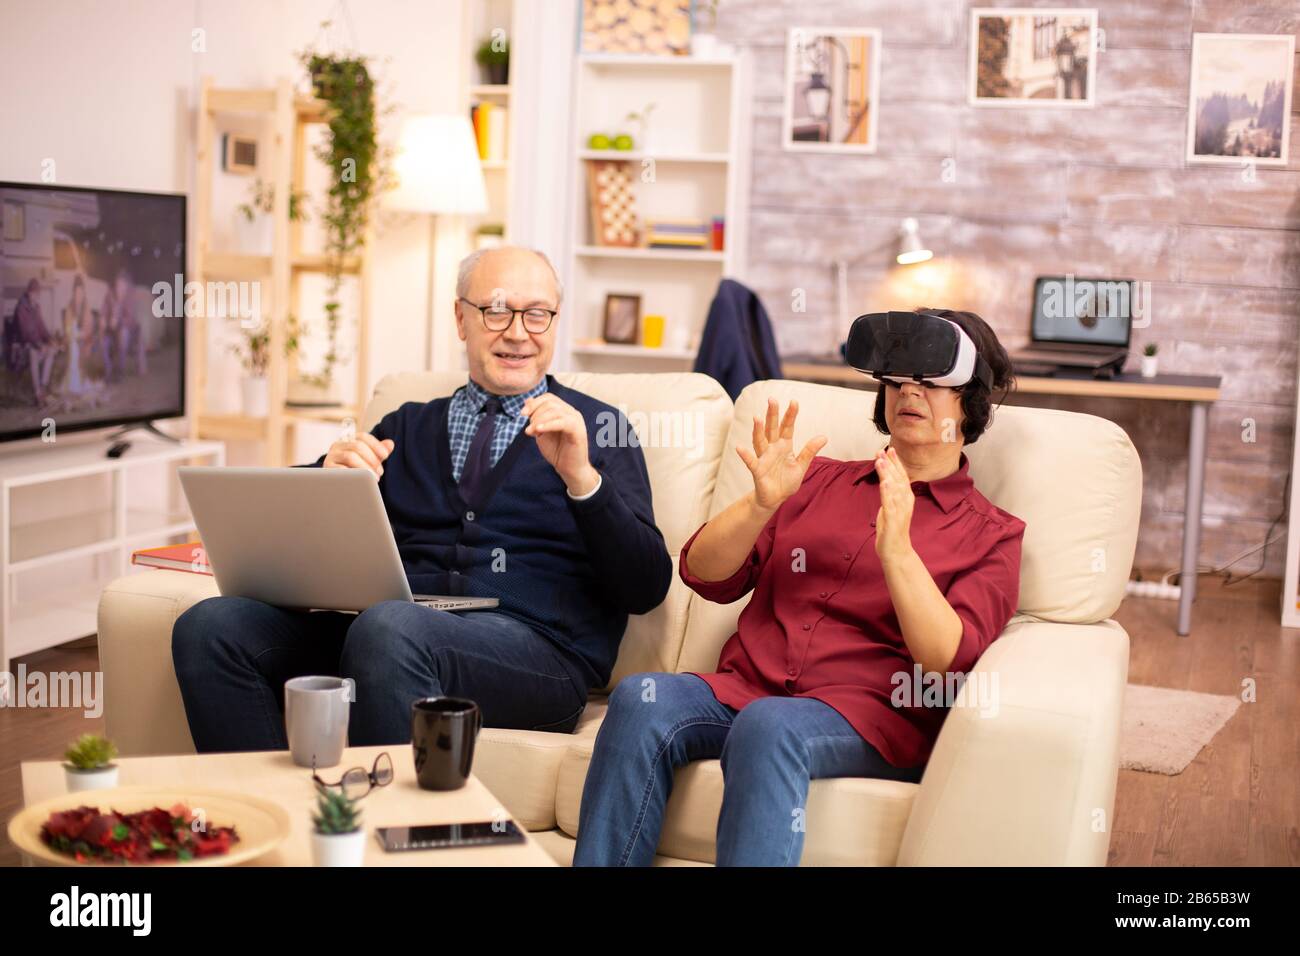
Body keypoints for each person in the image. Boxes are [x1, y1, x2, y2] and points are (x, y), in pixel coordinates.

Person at [172, 246, 673, 751]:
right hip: (383, 633)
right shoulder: (405, 427)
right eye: (496, 311)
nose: (518, 333)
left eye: (537, 314)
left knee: (389, 627)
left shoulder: (599, 429)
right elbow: (302, 539)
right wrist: (326, 475)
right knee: (211, 626)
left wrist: (582, 479)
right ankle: (276, 818)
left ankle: (388, 825)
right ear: (461, 318)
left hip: (536, 656)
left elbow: (645, 585)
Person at [573, 308, 1026, 867]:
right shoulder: (815, 478)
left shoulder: (992, 534)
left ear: (971, 403)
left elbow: (945, 661)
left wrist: (898, 552)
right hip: (746, 690)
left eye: (931, 382)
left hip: (874, 718)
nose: (910, 392)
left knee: (769, 726)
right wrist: (760, 502)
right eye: (898, 378)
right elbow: (703, 574)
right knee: (642, 699)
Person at [13, 279, 57, 405]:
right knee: (33, 354)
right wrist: (39, 345)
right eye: (34, 293)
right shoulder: (21, 307)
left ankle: (43, 387)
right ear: (29, 293)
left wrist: (50, 339)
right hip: (23, 347)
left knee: (51, 351)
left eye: (38, 293)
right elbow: (25, 333)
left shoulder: (36, 307)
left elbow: (41, 327)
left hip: (35, 344)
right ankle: (37, 392)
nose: (36, 296)